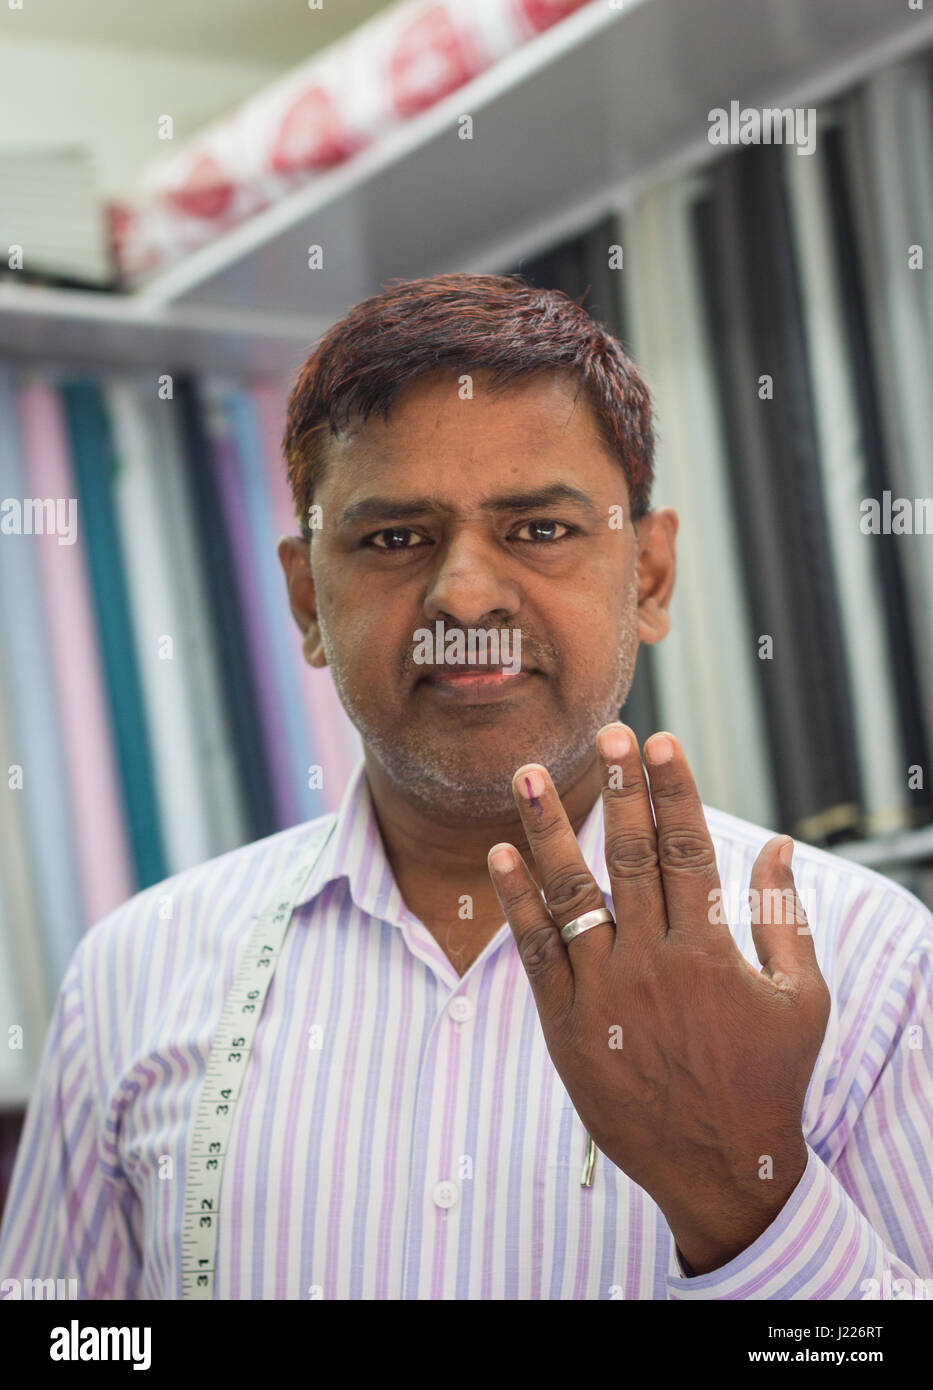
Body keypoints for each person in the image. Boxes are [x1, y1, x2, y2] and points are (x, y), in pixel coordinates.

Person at [1, 273, 931, 1300]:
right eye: (395, 538)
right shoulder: (131, 976)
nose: (466, 594)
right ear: (308, 599)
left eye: (540, 528)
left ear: (650, 577)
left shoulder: (872, 967)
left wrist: (739, 1195)